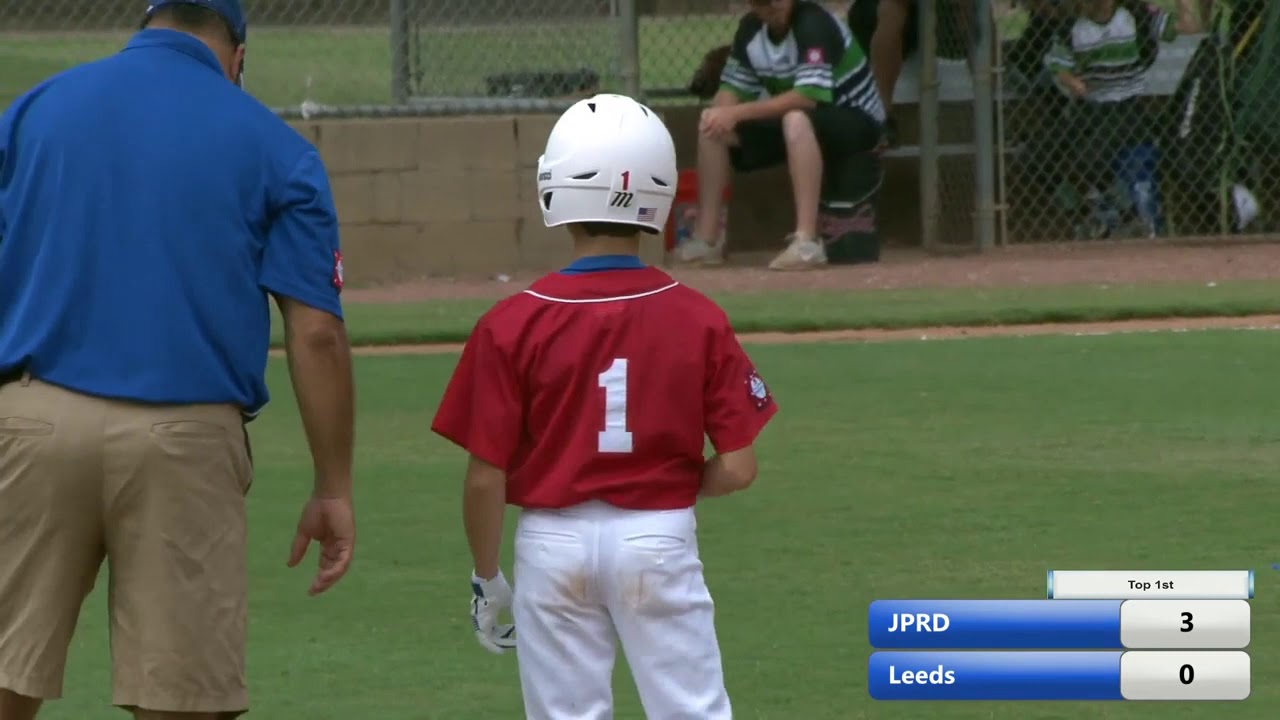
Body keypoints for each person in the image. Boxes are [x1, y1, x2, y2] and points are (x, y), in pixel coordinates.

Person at [0, 1, 357, 718]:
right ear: (238, 57)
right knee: (185, 704)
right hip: (184, 441)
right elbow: (315, 333)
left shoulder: (34, 109)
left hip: (29, 425)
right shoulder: (275, 146)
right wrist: (333, 485)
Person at [432, 93, 777, 719]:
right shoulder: (698, 317)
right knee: (692, 710)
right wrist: (667, 487)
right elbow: (740, 466)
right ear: (661, 194)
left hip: (550, 545)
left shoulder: (510, 323)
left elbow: (486, 475)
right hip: (658, 537)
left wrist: (488, 578)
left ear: (556, 192)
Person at [676, 0, 885, 271]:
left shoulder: (813, 23)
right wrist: (721, 114)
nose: (773, 4)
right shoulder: (751, 30)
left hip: (856, 121)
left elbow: (808, 97)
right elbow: (732, 89)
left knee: (795, 119)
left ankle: (806, 242)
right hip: (801, 123)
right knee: (711, 127)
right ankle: (707, 240)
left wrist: (737, 113)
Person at [1046, 0, 1201, 238]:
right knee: (1041, 153)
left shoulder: (1136, 14)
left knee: (1088, 160)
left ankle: (1129, 216)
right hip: (1090, 108)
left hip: (1126, 106)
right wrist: (1071, 81)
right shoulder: (1072, 25)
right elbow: (1057, 63)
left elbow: (1188, 26)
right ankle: (1091, 217)